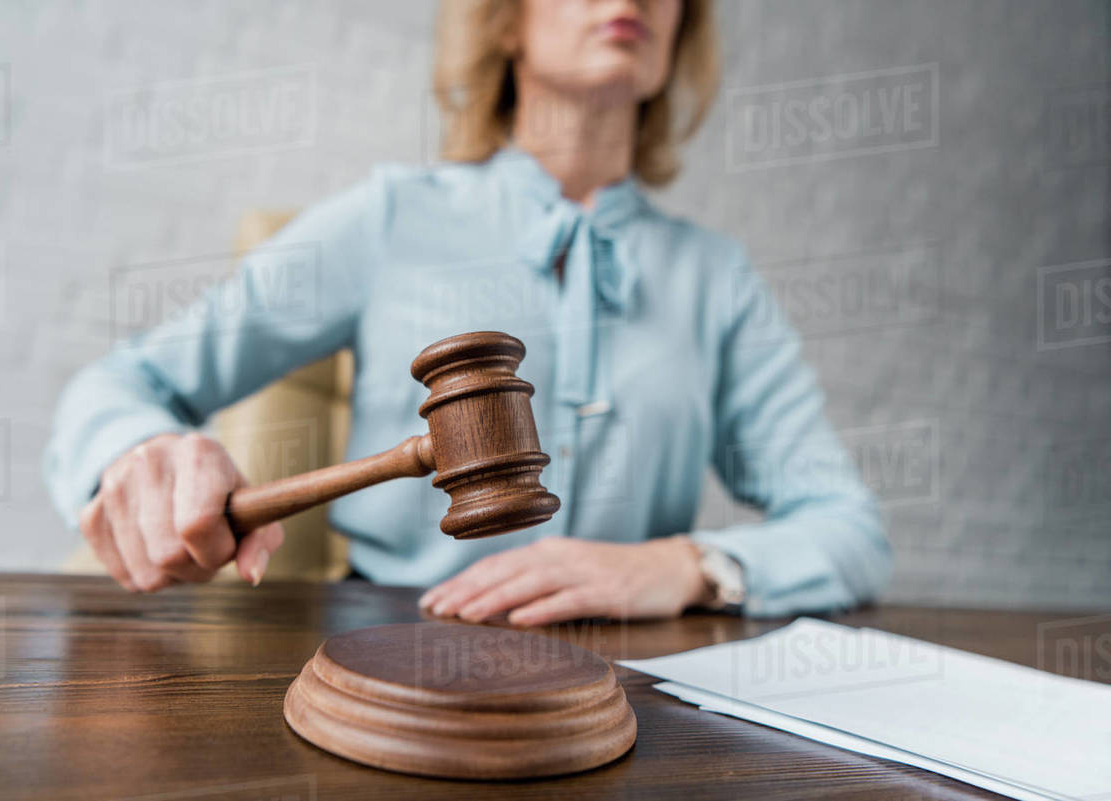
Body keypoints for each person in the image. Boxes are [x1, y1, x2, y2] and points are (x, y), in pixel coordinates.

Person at [44, 0, 890, 623]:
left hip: (630, 693)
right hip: (389, 660)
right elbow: (122, 382)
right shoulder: (391, 218)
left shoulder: (716, 277)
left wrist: (690, 564)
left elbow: (848, 529)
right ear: (505, 21)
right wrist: (142, 453)